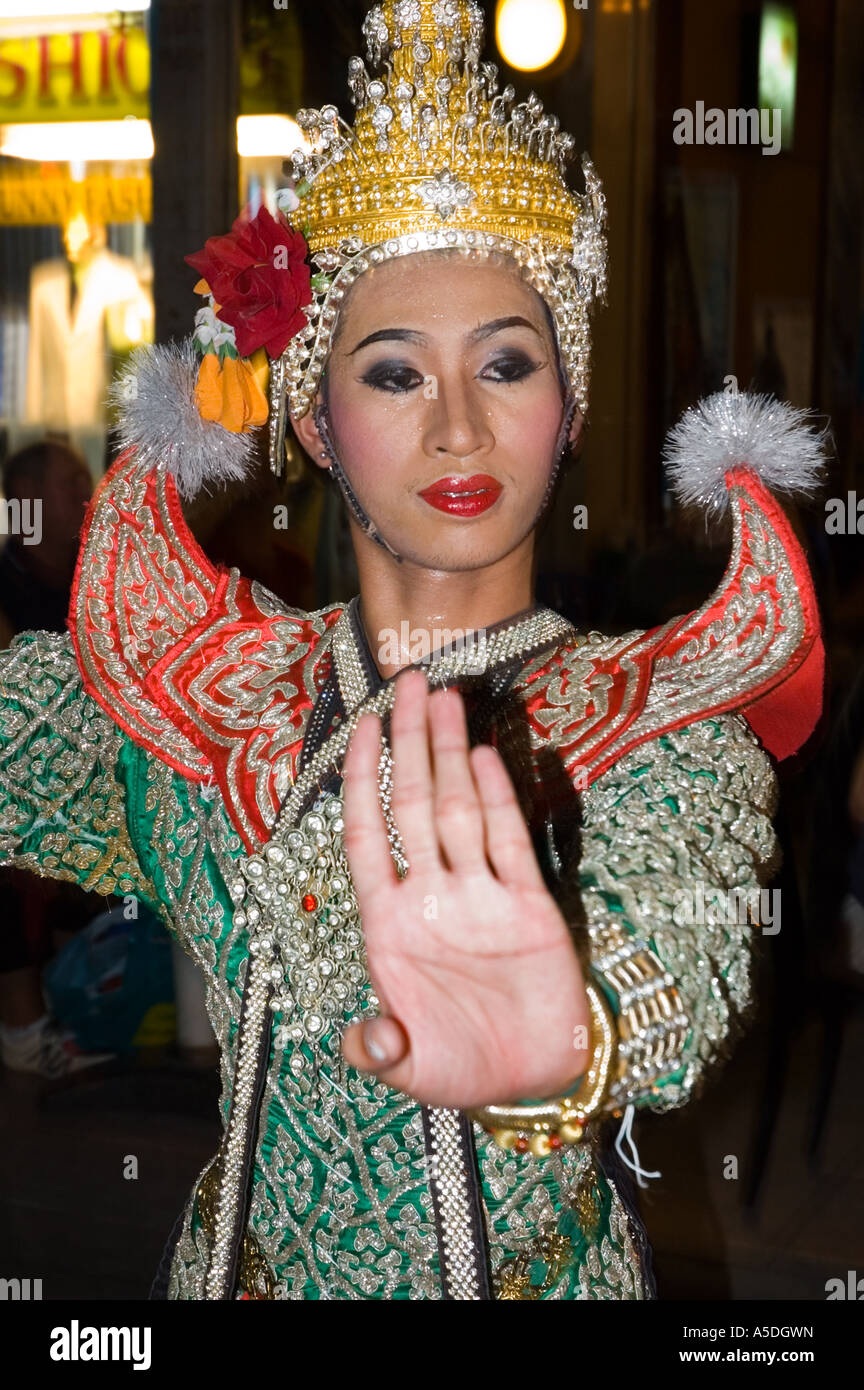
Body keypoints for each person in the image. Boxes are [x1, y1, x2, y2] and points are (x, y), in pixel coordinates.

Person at [0, 0, 826, 1300]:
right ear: (318, 424)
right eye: (392, 374)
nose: (456, 425)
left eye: (505, 364)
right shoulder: (212, 697)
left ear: (567, 414)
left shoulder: (652, 721)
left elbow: (671, 955)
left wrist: (565, 1039)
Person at [0, 440, 114, 1077]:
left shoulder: (92, 582)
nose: (87, 495)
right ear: (26, 501)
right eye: (73, 482)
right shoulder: (6, 588)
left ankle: (93, 1002)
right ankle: (24, 1032)